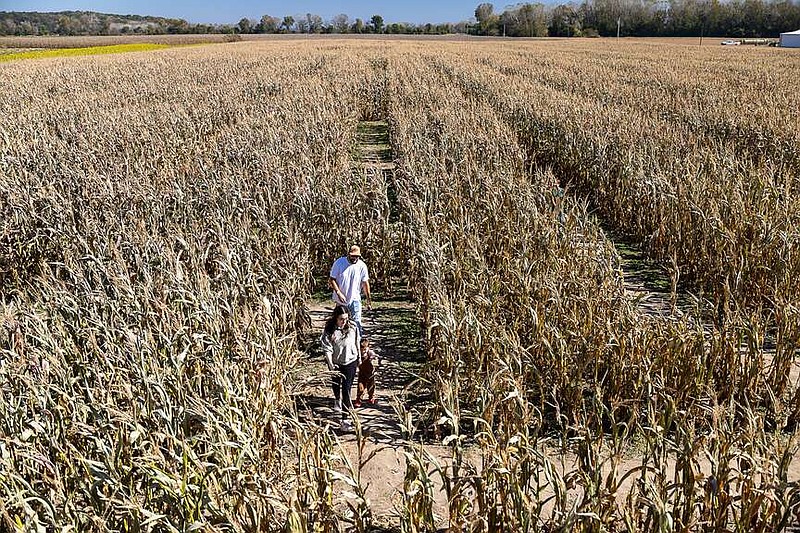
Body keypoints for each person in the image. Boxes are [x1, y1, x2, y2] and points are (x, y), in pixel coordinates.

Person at [320, 305, 361, 430]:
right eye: (341, 319)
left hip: (351, 361)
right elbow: (327, 349)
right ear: (336, 318)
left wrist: (359, 357)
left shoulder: (353, 327)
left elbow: (357, 341)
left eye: (346, 319)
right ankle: (337, 399)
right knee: (336, 384)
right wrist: (331, 364)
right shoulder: (330, 330)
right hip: (336, 363)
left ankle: (345, 419)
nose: (344, 321)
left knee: (346, 390)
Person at [329, 245, 372, 335]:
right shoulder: (339, 263)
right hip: (341, 300)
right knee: (340, 323)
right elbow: (332, 279)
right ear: (348, 254)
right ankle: (339, 340)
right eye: (353, 256)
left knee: (356, 323)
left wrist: (368, 300)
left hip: (355, 299)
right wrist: (339, 293)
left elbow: (365, 283)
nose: (355, 258)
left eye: (357, 256)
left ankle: (357, 341)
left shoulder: (362, 266)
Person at [354, 337, 377, 408]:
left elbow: (374, 357)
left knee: (371, 386)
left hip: (370, 374)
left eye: (365, 348)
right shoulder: (358, 354)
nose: (363, 350)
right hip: (362, 373)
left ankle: (371, 397)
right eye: (362, 348)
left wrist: (373, 358)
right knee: (360, 387)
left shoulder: (370, 353)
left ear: (368, 347)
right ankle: (359, 399)